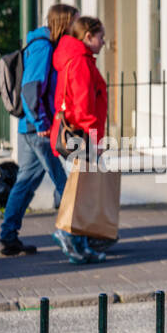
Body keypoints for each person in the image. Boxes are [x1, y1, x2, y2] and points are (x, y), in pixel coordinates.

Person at [0, 3, 79, 256]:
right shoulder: (43, 47)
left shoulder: (43, 44)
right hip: (37, 129)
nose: (77, 26)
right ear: (63, 23)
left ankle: (7, 240)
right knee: (64, 183)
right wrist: (42, 123)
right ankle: (78, 238)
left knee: (25, 183)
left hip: (29, 127)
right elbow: (32, 88)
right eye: (74, 21)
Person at [50, 15, 110, 264]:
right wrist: (95, 138)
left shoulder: (71, 58)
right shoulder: (81, 62)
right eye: (100, 37)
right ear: (88, 36)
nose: (104, 42)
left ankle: (83, 245)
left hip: (71, 134)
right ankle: (66, 235)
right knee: (80, 193)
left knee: (81, 192)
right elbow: (83, 106)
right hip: (81, 137)